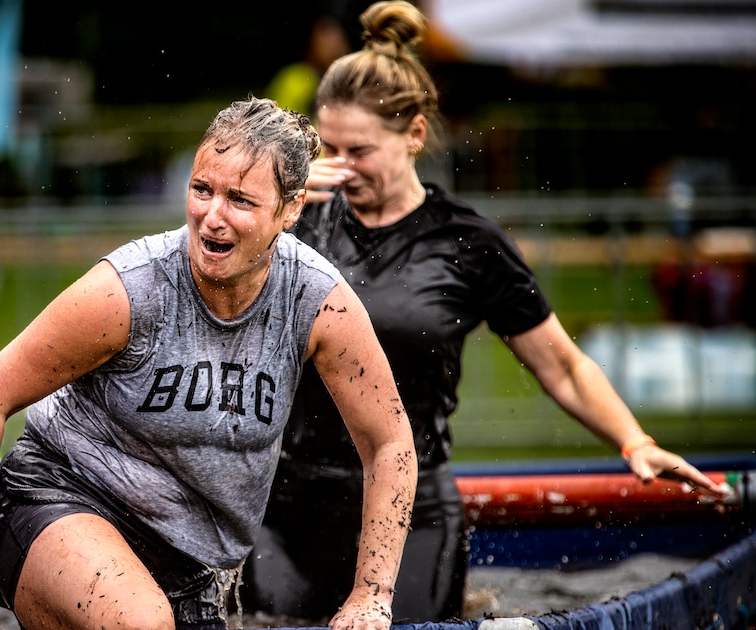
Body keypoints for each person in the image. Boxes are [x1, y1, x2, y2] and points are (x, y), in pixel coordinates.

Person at [242, 1, 732, 624]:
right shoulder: (293, 220)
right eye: (326, 147)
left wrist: (634, 440)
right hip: (288, 506)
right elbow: (197, 282)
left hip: (413, 513)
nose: (339, 167)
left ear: (414, 135)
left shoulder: (467, 243)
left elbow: (562, 364)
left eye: (358, 150)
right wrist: (268, 200)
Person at [0, 97, 417, 630]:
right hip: (59, 498)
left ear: (290, 210)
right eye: (202, 190)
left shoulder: (319, 301)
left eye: (241, 201)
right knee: (142, 623)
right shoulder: (130, 290)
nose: (213, 217)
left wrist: (371, 595)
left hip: (193, 563)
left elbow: (389, 443)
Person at [264, 15, 350, 117]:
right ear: (311, 43)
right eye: (326, 39)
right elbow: (278, 122)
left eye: (338, 40)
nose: (334, 47)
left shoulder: (350, 81)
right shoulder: (294, 79)